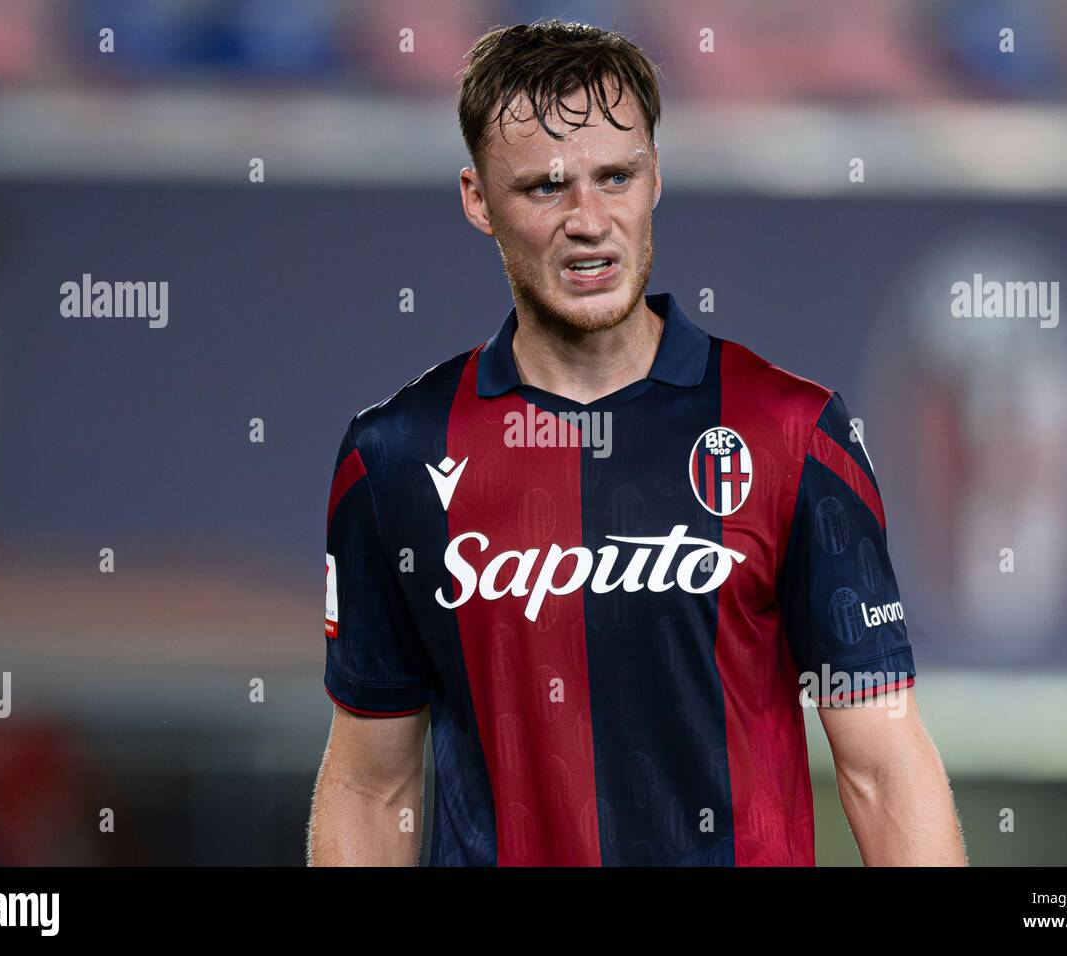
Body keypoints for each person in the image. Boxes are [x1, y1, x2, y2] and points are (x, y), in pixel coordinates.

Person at [308, 19, 965, 866]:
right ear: (478, 200)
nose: (590, 219)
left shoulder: (792, 434)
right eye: (546, 188)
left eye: (615, 176)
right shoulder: (392, 457)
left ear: (656, 177)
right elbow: (372, 783)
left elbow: (881, 762)